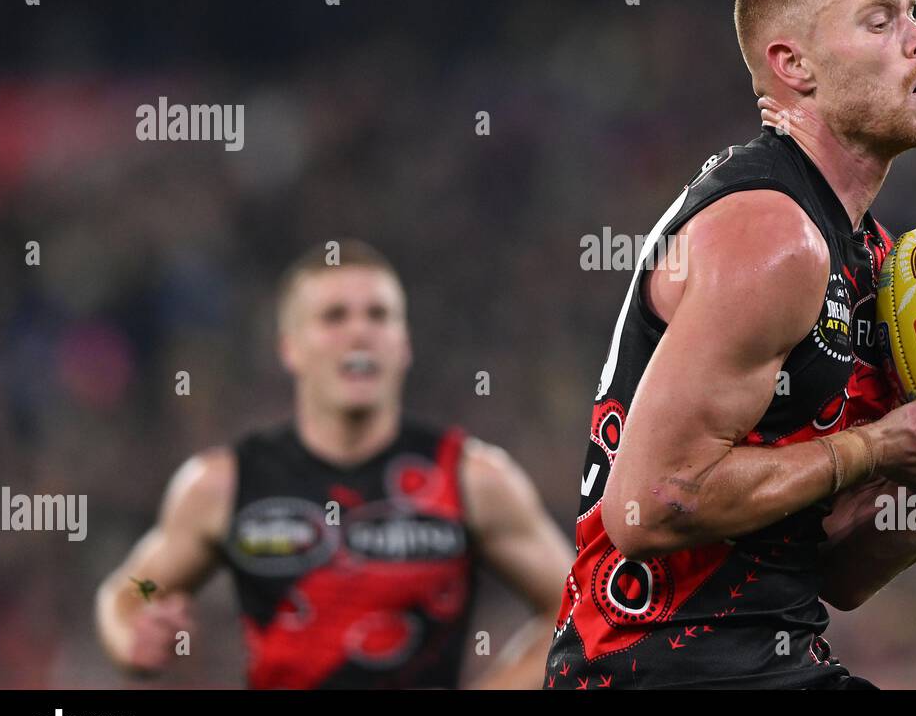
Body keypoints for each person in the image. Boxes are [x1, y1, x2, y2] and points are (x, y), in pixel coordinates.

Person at [545, 0, 916, 689]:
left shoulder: (872, 262)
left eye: (914, 17)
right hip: (659, 670)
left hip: (771, 662)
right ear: (795, 67)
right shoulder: (772, 232)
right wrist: (880, 448)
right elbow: (650, 507)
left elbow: (840, 575)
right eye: (880, 20)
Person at [96, 239, 573, 688]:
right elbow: (128, 591)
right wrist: (131, 633)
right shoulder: (222, 484)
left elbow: (576, 607)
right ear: (290, 347)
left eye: (379, 315)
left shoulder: (473, 478)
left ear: (403, 344)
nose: (359, 331)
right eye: (334, 316)